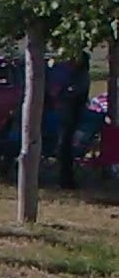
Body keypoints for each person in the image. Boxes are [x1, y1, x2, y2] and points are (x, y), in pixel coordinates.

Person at [57, 52, 91, 189]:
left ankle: (67, 180)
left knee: (66, 149)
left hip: (73, 118)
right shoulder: (73, 75)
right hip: (67, 118)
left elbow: (73, 93)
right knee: (63, 148)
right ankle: (64, 178)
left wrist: (61, 93)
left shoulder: (82, 77)